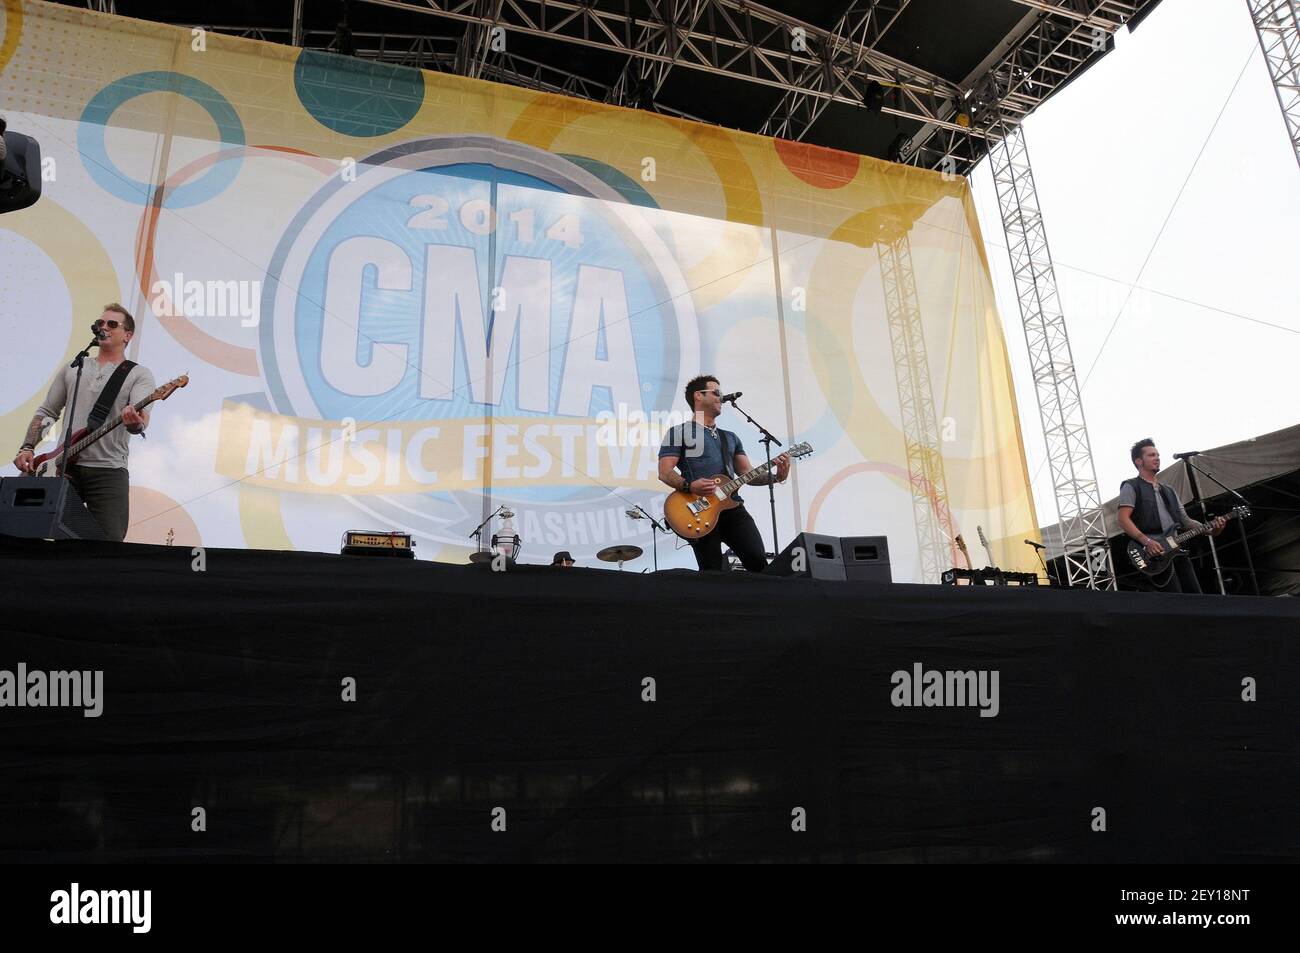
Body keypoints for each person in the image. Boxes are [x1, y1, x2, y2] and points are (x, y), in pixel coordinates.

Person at [11, 304, 156, 541]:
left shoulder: (138, 375)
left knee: (108, 542)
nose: (104, 327)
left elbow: (141, 421)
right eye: (100, 323)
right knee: (27, 527)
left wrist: (134, 423)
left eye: (112, 324)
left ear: (127, 335)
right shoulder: (74, 367)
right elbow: (48, 411)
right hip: (63, 464)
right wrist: (27, 447)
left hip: (108, 469)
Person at [657, 375, 789, 572]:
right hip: (700, 509)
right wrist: (689, 486)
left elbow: (748, 474)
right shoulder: (678, 432)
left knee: (758, 561)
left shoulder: (731, 437)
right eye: (716, 393)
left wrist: (777, 476)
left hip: (733, 507)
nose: (721, 398)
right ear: (698, 396)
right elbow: (665, 472)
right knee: (711, 571)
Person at [1116, 438, 1225, 594]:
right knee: (1175, 602)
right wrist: (1147, 542)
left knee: (1196, 599)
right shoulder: (1131, 486)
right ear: (1139, 461)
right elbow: (1122, 519)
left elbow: (1185, 521)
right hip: (1153, 554)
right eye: (1152, 455)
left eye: (1158, 455)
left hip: (1176, 550)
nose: (1157, 458)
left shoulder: (1169, 491)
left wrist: (1211, 529)